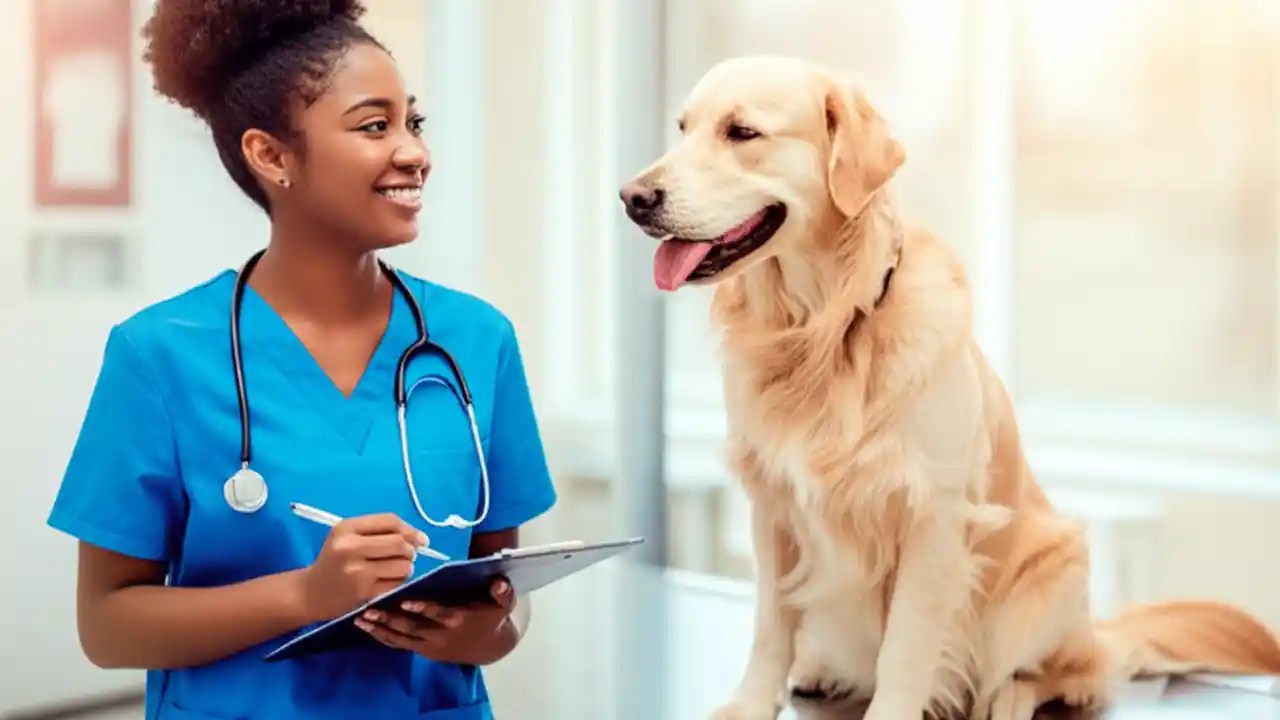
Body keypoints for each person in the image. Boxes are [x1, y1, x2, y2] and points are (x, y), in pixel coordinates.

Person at [45, 1, 557, 718]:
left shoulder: (478, 340)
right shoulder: (158, 355)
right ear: (272, 155)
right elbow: (106, 626)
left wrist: (485, 632)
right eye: (374, 126)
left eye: (414, 122)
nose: (414, 151)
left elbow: (503, 597)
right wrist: (305, 596)